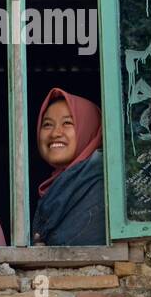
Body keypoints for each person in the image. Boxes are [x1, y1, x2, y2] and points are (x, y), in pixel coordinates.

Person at [32, 88, 106, 246]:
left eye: (67, 123)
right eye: (47, 125)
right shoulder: (56, 186)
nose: (55, 133)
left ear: (89, 128)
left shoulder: (100, 183)